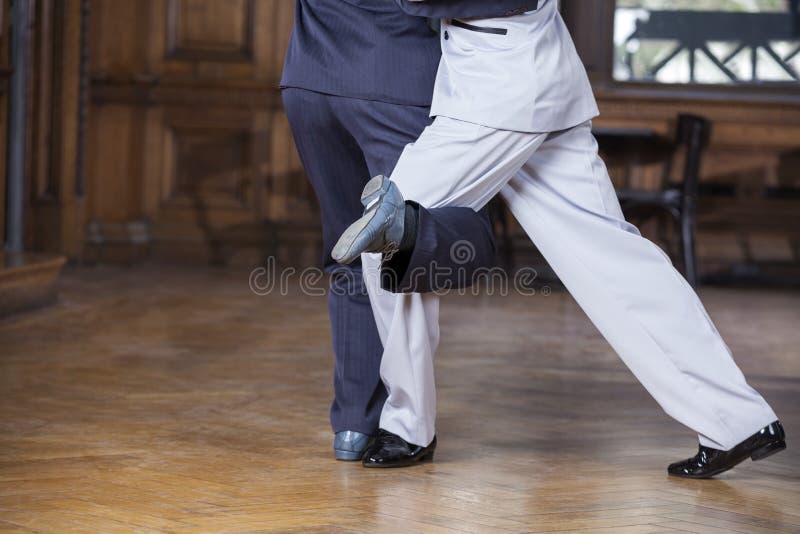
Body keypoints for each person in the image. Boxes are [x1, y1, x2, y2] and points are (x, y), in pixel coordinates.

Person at [333, 0, 786, 477]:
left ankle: (408, 425)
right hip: (534, 77)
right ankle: (736, 420)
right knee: (617, 261)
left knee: (388, 232)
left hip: (498, 92)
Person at [280, 0, 539, 460]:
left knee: (354, 255)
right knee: (404, 247)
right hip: (395, 77)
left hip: (309, 80)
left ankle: (353, 426)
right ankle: (404, 423)